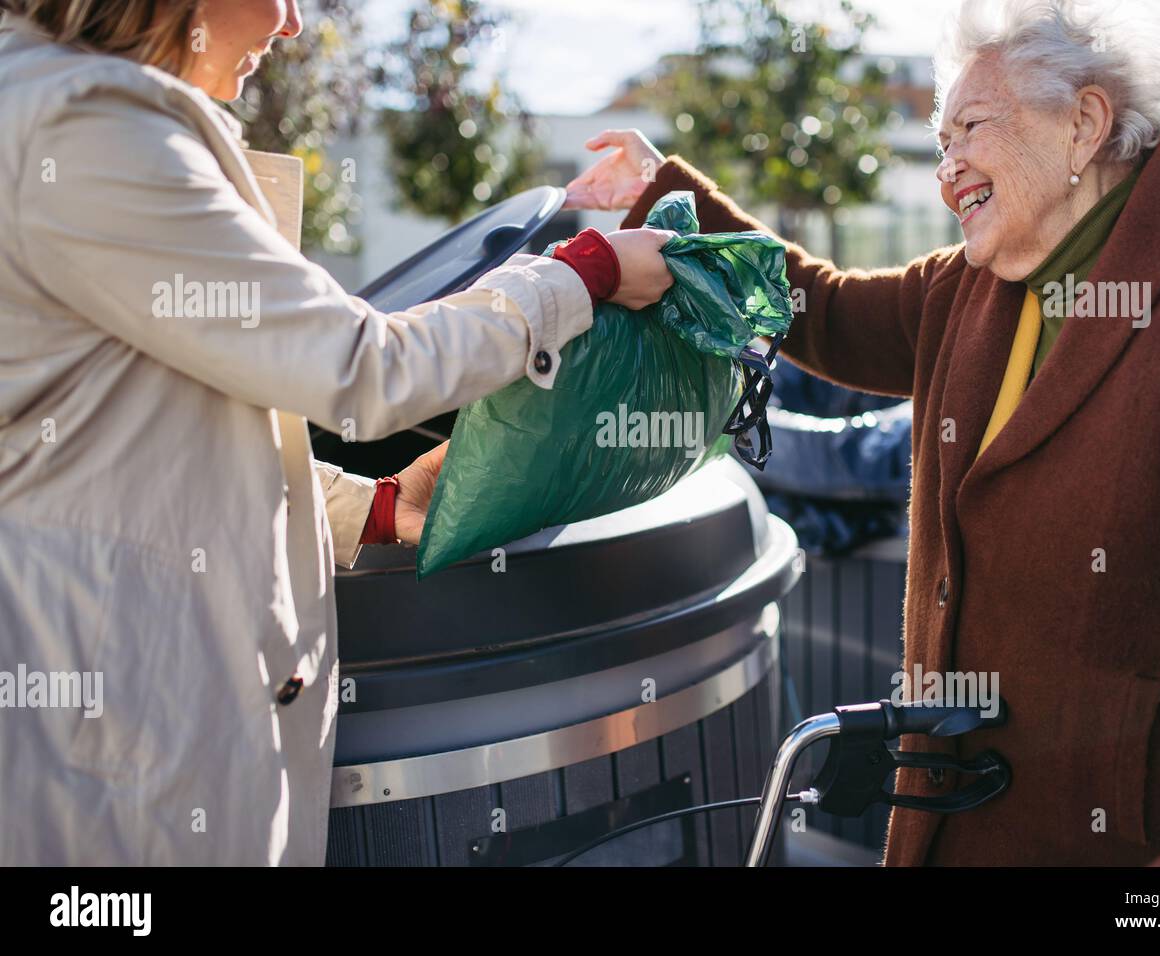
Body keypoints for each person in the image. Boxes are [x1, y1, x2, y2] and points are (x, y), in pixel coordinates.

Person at [568, 0, 1160, 865]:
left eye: (970, 131)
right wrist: (667, 195)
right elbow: (823, 308)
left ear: (1085, 124)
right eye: (940, 144)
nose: (945, 171)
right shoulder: (969, 287)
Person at [0, 0, 673, 865]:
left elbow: (153, 428)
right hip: (112, 735)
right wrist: (588, 270)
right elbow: (360, 371)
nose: (289, 24)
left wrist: (379, 507)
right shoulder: (84, 122)